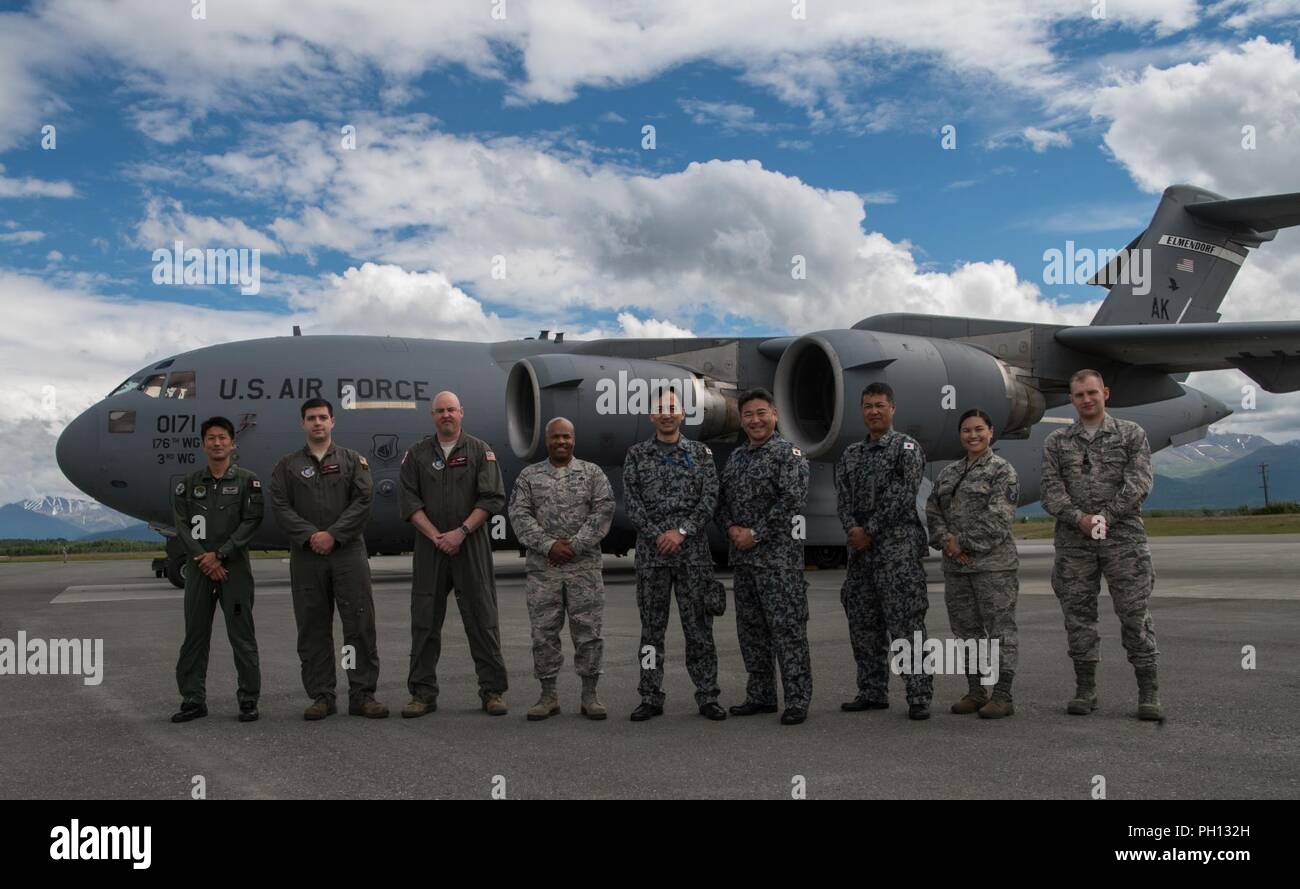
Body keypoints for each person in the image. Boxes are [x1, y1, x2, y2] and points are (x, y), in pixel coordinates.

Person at [1041, 369, 1161, 720]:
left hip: (1123, 540)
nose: (1086, 400)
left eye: (1092, 392)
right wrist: (1078, 518)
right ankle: (1085, 690)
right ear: (1071, 399)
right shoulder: (1057, 442)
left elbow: (1139, 482)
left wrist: (1105, 517)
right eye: (1079, 395)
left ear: (1105, 393)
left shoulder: (1130, 434)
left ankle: (1148, 693)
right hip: (1074, 541)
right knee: (1078, 618)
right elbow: (1050, 490)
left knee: (1134, 615)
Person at [270, 398, 387, 720]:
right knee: (313, 628)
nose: (317, 423)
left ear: (333, 422)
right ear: (303, 424)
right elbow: (280, 507)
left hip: (347, 553)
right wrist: (311, 536)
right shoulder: (287, 467)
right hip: (307, 557)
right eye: (311, 418)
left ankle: (362, 694)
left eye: (323, 417)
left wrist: (333, 534)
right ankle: (322, 695)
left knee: (358, 625)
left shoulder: (353, 462)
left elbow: (363, 501)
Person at [399, 391, 509, 717]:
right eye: (439, 411)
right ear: (432, 416)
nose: (446, 415)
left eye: (451, 410)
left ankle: (492, 692)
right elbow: (409, 502)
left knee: (482, 620)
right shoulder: (417, 455)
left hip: (470, 545)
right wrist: (437, 536)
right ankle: (422, 694)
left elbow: (491, 499)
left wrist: (460, 533)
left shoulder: (479, 451)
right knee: (424, 622)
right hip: (430, 548)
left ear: (461, 412)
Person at [622, 387, 724, 722]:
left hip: (692, 555)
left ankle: (708, 695)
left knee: (699, 630)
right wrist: (657, 535)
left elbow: (709, 499)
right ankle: (650, 695)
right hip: (652, 558)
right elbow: (632, 504)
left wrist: (680, 532)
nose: (666, 414)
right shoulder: (636, 455)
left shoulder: (701, 454)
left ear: (683, 414)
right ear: (651, 416)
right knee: (651, 632)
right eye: (659, 409)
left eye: (672, 408)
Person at [833, 382, 934, 720]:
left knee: (906, 624)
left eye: (879, 405)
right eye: (867, 406)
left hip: (898, 553)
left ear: (892, 408)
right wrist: (853, 530)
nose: (873, 411)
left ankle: (918, 692)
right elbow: (843, 500)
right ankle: (872, 690)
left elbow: (903, 495)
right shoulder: (851, 455)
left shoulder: (906, 448)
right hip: (861, 555)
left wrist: (870, 531)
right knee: (863, 624)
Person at [507, 418, 615, 721]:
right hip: (544, 571)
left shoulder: (592, 474)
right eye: (555, 437)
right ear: (547, 440)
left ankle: (590, 695)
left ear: (574, 439)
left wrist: (575, 545)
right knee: (543, 634)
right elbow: (518, 515)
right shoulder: (529, 476)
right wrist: (549, 545)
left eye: (566, 436)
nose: (561, 442)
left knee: (589, 633)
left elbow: (603, 511)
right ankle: (548, 696)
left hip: (584, 569)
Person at [715, 388, 812, 725]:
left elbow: (792, 500)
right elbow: (721, 501)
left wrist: (754, 533)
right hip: (743, 562)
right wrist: (730, 529)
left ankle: (797, 699)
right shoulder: (738, 458)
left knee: (787, 632)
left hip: (778, 562)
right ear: (741, 421)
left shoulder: (790, 454)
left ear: (775, 415)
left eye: (761, 413)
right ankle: (761, 695)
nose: (755, 420)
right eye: (748, 415)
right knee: (752, 631)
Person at [925, 408, 1019, 719]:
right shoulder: (949, 473)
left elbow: (998, 519)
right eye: (967, 430)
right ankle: (976, 691)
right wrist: (946, 542)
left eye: (979, 429)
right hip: (957, 568)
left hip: (993, 567)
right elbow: (933, 510)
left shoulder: (1002, 470)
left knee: (999, 631)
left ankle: (1002, 695)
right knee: (967, 632)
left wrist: (959, 543)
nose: (973, 435)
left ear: (991, 432)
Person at [169, 416, 264, 723]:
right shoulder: (189, 484)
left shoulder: (247, 481)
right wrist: (204, 559)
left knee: (242, 637)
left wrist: (221, 555)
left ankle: (249, 699)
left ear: (233, 443)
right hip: (199, 570)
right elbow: (181, 526)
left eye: (223, 437)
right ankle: (193, 699)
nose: (217, 443)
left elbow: (251, 522)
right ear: (203, 444)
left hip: (233, 569)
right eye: (211, 438)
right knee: (194, 636)